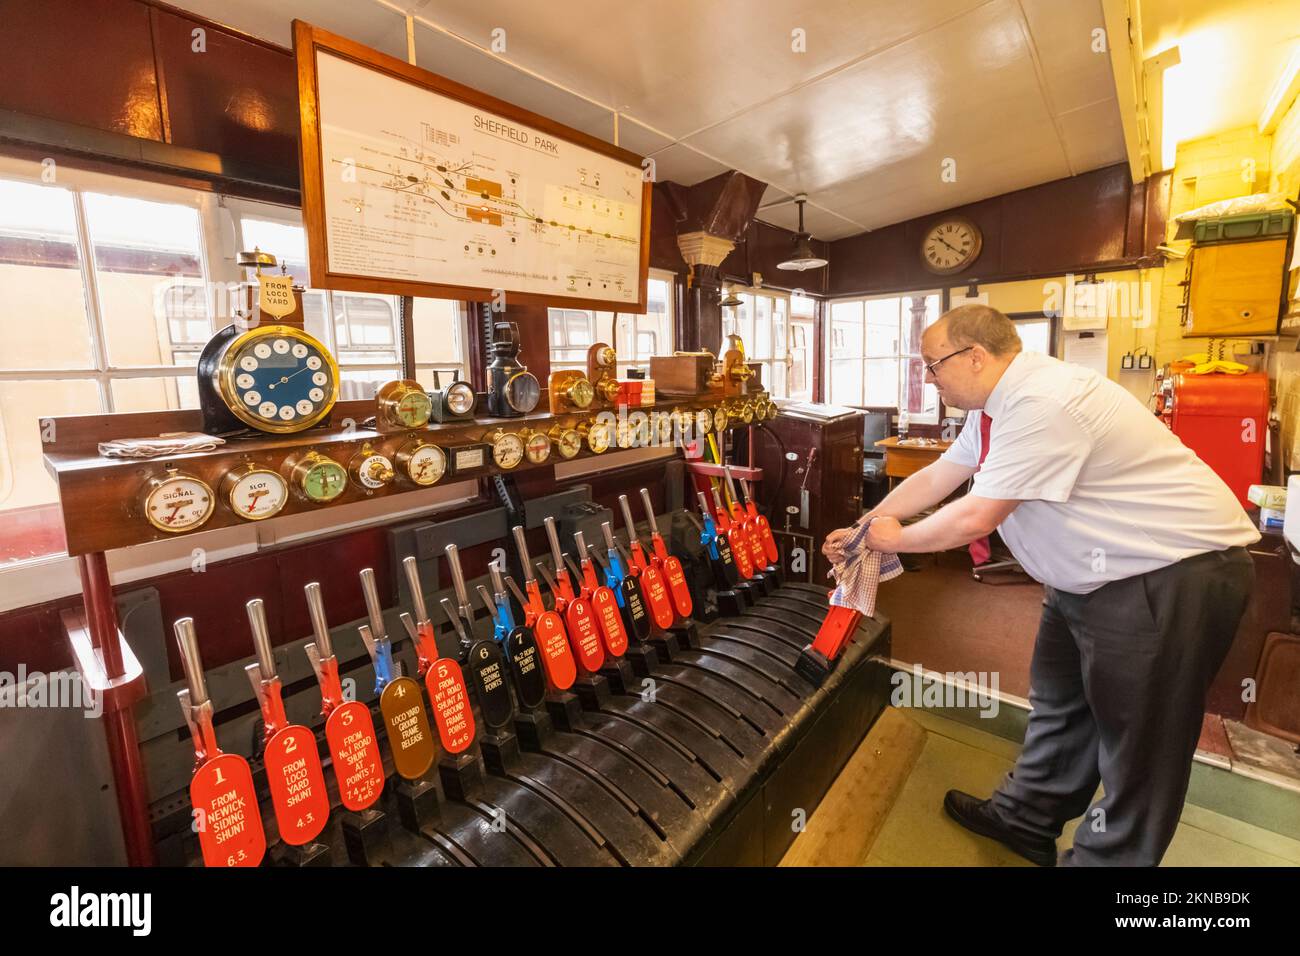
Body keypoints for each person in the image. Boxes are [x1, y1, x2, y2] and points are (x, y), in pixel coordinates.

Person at [823, 304, 1258, 866]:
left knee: (1139, 744)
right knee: (1060, 704)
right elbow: (938, 477)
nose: (929, 378)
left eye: (933, 365)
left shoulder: (1043, 402)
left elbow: (976, 516)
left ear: (974, 356)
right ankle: (1025, 819)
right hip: (1084, 580)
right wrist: (865, 526)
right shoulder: (992, 410)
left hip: (1163, 575)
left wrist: (891, 541)